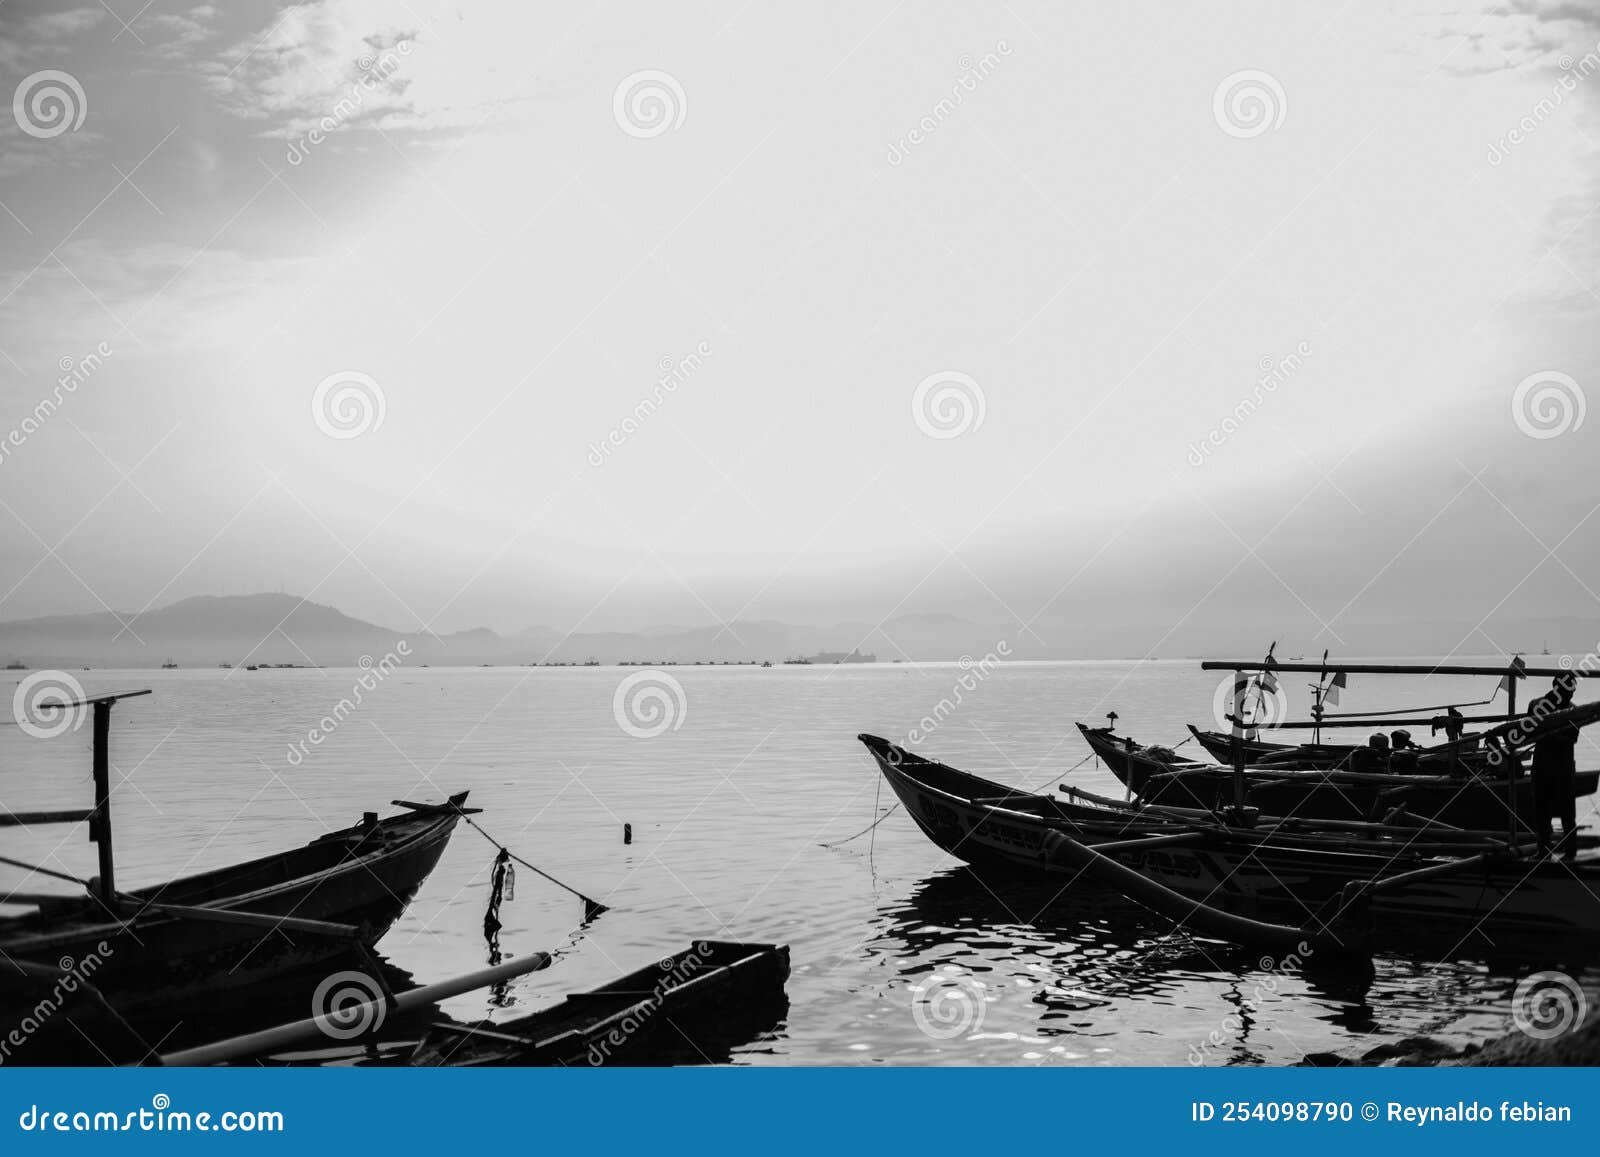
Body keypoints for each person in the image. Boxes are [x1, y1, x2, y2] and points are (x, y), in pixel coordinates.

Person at [1528, 674, 1580, 860]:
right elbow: (1528, 731)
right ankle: (1543, 850)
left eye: (1573, 689)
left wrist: (1551, 735)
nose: (1572, 693)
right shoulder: (1536, 705)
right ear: (1557, 688)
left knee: (1567, 812)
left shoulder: (1573, 710)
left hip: (1563, 767)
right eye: (1569, 689)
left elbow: (1572, 738)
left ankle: (1570, 852)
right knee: (1541, 811)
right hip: (1543, 766)